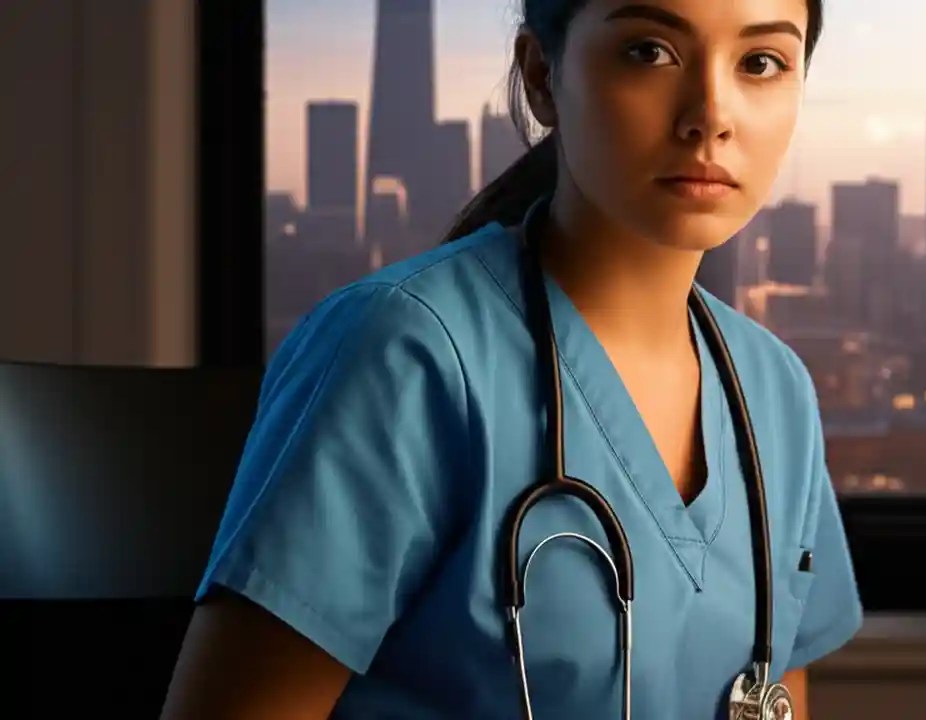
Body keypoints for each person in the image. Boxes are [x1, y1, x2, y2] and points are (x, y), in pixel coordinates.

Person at [161, 0, 862, 717]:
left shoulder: (774, 391)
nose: (711, 115)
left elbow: (777, 690)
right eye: (649, 52)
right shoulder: (405, 351)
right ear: (540, 76)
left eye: (761, 63)